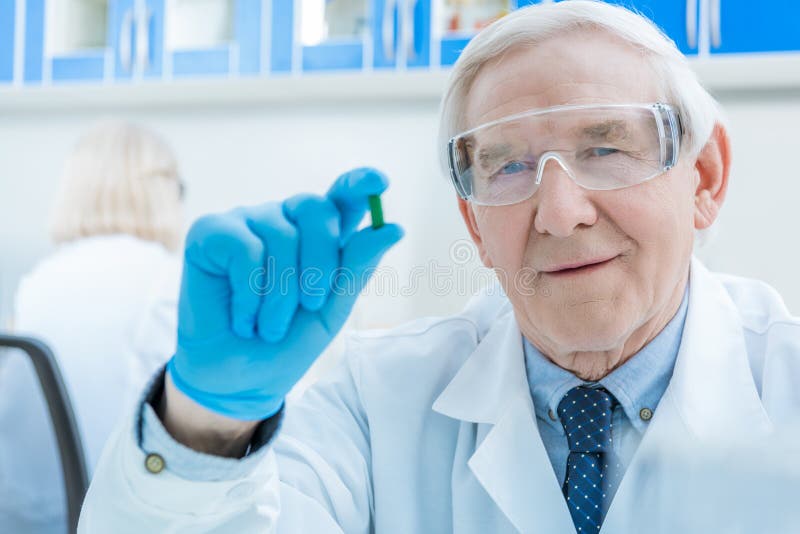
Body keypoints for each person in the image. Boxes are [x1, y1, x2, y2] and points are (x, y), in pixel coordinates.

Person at [79, 2, 800, 532]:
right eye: (508, 166)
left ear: (703, 179)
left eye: (604, 149)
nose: (558, 211)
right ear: (474, 224)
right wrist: (205, 424)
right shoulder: (374, 403)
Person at [1, 121, 183, 533]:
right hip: (113, 519)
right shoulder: (169, 281)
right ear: (165, 192)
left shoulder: (38, 279)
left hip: (17, 516)